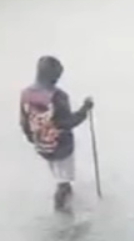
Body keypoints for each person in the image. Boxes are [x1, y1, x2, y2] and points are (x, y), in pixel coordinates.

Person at [19, 55, 93, 212]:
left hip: (41, 145)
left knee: (58, 174)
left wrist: (33, 139)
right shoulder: (58, 96)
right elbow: (68, 122)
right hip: (61, 147)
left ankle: (64, 202)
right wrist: (85, 108)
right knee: (64, 181)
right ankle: (62, 215)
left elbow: (24, 121)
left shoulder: (26, 93)